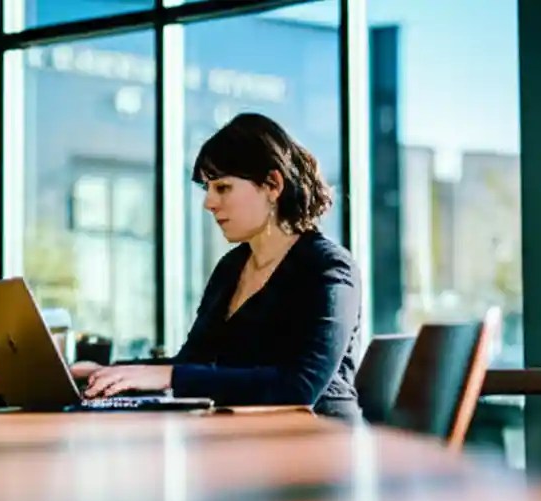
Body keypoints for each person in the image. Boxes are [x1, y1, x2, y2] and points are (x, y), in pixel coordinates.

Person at [71, 113, 362, 420]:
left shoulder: (328, 267)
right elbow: (191, 362)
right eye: (208, 189)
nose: (208, 203)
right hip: (246, 441)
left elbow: (300, 386)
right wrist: (109, 373)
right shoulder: (232, 267)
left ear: (273, 185)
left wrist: (169, 376)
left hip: (321, 443)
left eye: (223, 188)